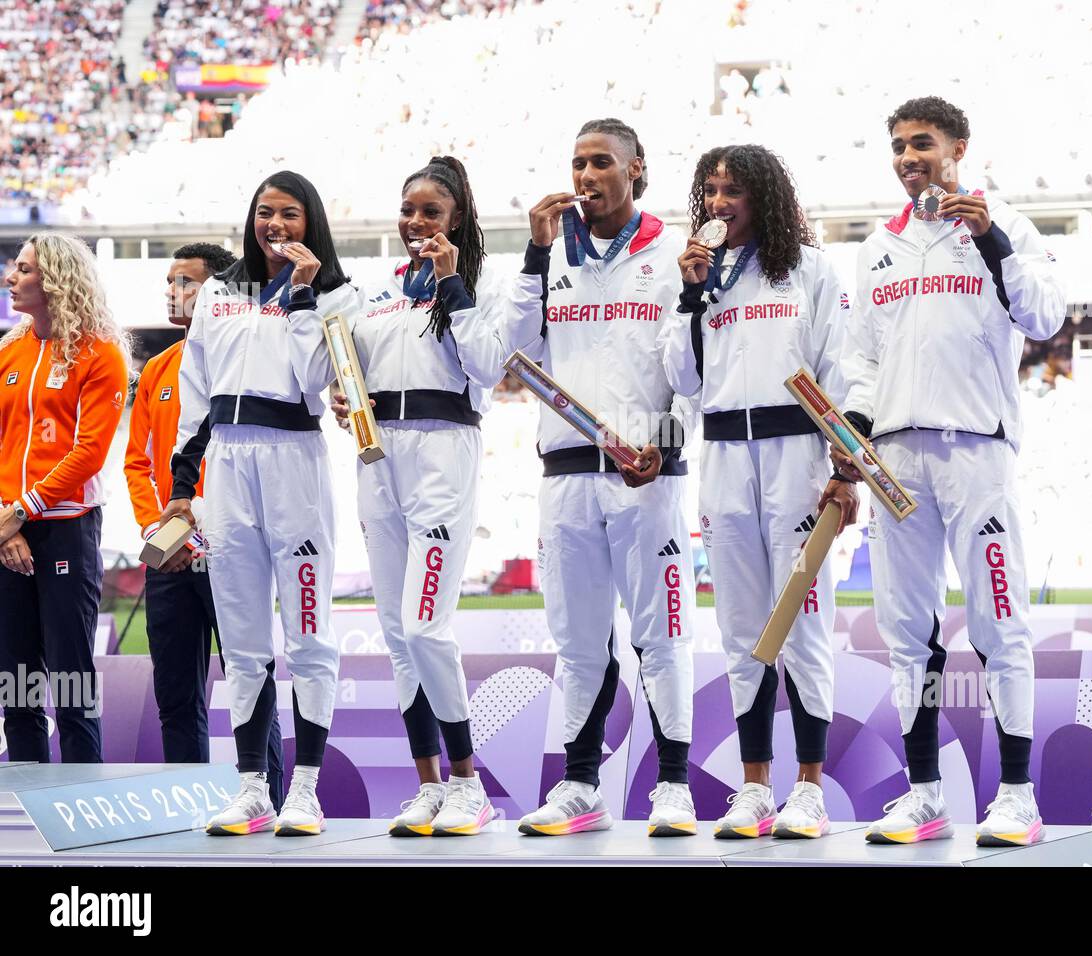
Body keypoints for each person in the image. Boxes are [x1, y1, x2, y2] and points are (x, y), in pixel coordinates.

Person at [839, 97, 1066, 846]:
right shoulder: (879, 249)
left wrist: (990, 236)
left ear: (959, 147)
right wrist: (857, 430)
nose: (910, 158)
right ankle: (925, 793)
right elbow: (863, 360)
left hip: (977, 451)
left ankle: (1018, 796)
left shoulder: (1008, 226)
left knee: (1001, 625)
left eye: (923, 144)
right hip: (897, 462)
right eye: (900, 147)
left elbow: (1045, 316)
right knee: (908, 631)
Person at [502, 118, 699, 837]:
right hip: (563, 475)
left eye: (601, 163)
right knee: (579, 641)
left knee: (662, 635)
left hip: (648, 478)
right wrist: (531, 252)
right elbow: (511, 350)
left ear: (635, 169)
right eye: (577, 163)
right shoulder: (549, 254)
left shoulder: (674, 250)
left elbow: (690, 370)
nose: (586, 177)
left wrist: (667, 443)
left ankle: (673, 785)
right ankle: (580, 784)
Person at [662, 144, 858, 840]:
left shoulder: (809, 270)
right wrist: (690, 294)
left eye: (732, 192)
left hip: (795, 458)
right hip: (722, 456)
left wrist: (847, 466)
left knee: (801, 625)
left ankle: (809, 788)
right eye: (710, 192)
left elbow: (841, 367)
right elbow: (682, 380)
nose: (718, 204)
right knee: (744, 631)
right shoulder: (698, 278)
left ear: (764, 198)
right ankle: (754, 787)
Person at [159, 171, 362, 836]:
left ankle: (305, 787)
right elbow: (195, 390)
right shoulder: (221, 289)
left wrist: (303, 299)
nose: (276, 226)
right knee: (243, 643)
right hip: (229, 467)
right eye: (265, 214)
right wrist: (183, 489)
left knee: (308, 633)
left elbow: (316, 380)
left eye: (290, 216)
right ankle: (252, 788)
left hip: (293, 461)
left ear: (312, 223)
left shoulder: (338, 291)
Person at [324, 157, 503, 836]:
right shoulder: (375, 293)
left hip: (441, 457)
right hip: (378, 460)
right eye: (409, 211)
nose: (416, 223)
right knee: (401, 637)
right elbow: (350, 374)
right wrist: (346, 398)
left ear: (456, 217)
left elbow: (485, 367)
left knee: (428, 626)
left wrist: (453, 282)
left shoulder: (481, 287)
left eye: (430, 211)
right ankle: (429, 785)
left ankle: (469, 784)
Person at [123, 242, 283, 804]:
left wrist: (207, 531)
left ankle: (273, 804)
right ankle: (188, 809)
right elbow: (137, 461)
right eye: (170, 281)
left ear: (219, 291)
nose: (175, 291)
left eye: (188, 282)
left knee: (250, 679)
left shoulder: (249, 361)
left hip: (231, 546)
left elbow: (246, 458)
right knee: (175, 694)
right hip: (168, 552)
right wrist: (157, 534)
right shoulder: (158, 369)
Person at [0, 234, 130, 763]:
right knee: (16, 678)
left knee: (71, 676)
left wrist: (19, 512)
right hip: (7, 525)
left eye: (24, 269)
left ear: (54, 279)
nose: (11, 276)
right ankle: (22, 806)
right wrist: (5, 523)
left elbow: (90, 453)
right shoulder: (9, 349)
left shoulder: (100, 353)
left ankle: (82, 803)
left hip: (65, 525)